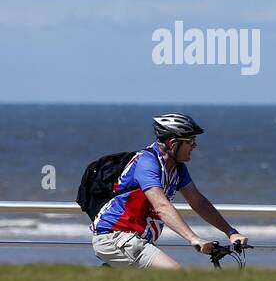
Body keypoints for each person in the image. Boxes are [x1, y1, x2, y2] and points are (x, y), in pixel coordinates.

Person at [90, 113, 247, 269]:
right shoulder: (146, 163)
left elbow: (198, 202)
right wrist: (193, 238)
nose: (194, 146)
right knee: (176, 275)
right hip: (115, 236)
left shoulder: (177, 168)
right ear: (173, 143)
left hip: (134, 240)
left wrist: (231, 232)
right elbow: (161, 206)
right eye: (190, 141)